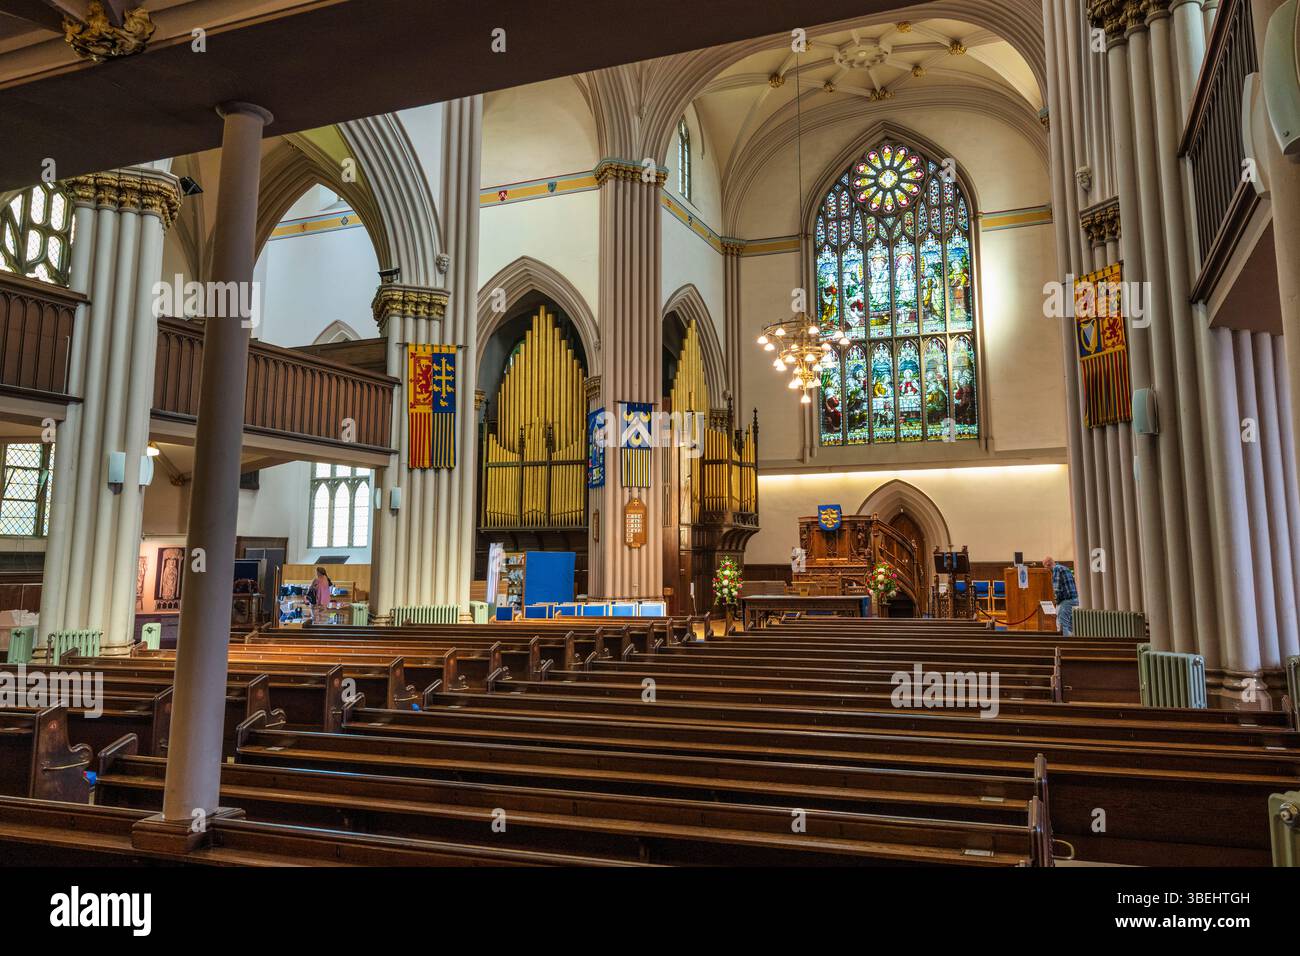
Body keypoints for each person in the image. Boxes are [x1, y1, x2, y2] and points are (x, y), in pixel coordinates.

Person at [1043, 556, 1078, 636]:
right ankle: (1073, 644)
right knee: (1070, 626)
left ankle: (1065, 645)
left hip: (1065, 601)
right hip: (1074, 600)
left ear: (1048, 564)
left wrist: (1056, 601)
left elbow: (1057, 588)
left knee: (1062, 625)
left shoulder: (1056, 569)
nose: (1046, 569)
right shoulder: (1065, 568)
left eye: (1045, 566)